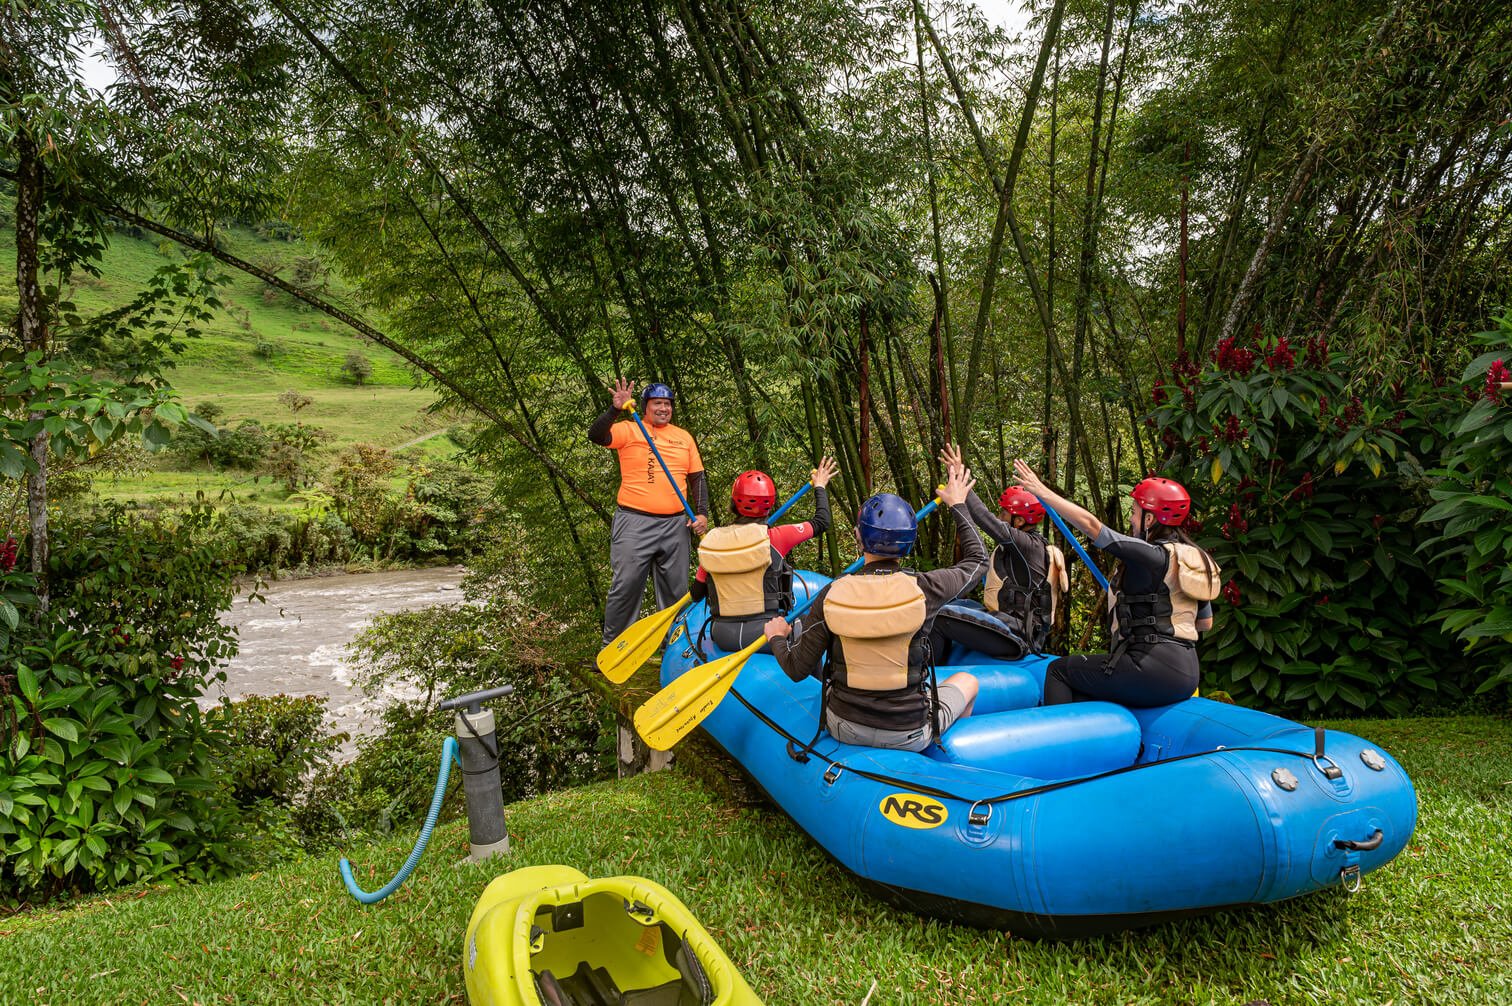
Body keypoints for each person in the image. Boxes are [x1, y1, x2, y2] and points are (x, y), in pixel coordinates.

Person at [762, 462, 987, 752]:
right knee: (967, 681)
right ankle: (936, 759)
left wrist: (777, 636)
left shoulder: (832, 594)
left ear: (859, 538)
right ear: (909, 543)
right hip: (910, 732)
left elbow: (797, 669)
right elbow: (979, 560)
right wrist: (958, 504)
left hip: (844, 726)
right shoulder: (926, 589)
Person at [1011, 460, 1220, 707]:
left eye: (1134, 512)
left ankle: (1054, 742)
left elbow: (1093, 527)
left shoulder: (1151, 555)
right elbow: (1205, 623)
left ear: (1150, 519)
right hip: (1188, 675)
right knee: (1083, 690)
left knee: (1059, 670)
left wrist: (1041, 491)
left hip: (1151, 671)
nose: (1131, 519)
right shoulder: (1194, 558)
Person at [590, 378, 709, 645]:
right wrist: (614, 409)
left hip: (676, 525)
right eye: (657, 403)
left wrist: (701, 514)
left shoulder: (683, 437)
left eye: (667, 404)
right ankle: (615, 647)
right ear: (645, 406)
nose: (663, 409)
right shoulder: (630, 429)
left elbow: (697, 477)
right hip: (634, 522)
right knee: (627, 585)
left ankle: (676, 648)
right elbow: (596, 435)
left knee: (676, 592)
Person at [690, 458, 838, 651]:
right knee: (808, 624)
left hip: (723, 634)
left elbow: (696, 594)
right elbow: (821, 521)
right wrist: (819, 485)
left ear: (734, 503)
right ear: (770, 505)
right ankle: (816, 681)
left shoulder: (712, 541)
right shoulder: (777, 537)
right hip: (766, 635)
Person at [941, 445, 1068, 652]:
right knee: (953, 603)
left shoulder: (1025, 545)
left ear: (1018, 521)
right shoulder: (1026, 543)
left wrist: (957, 476)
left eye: (1003, 514)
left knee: (942, 614)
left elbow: (985, 519)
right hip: (1009, 622)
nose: (999, 517)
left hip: (1020, 633)